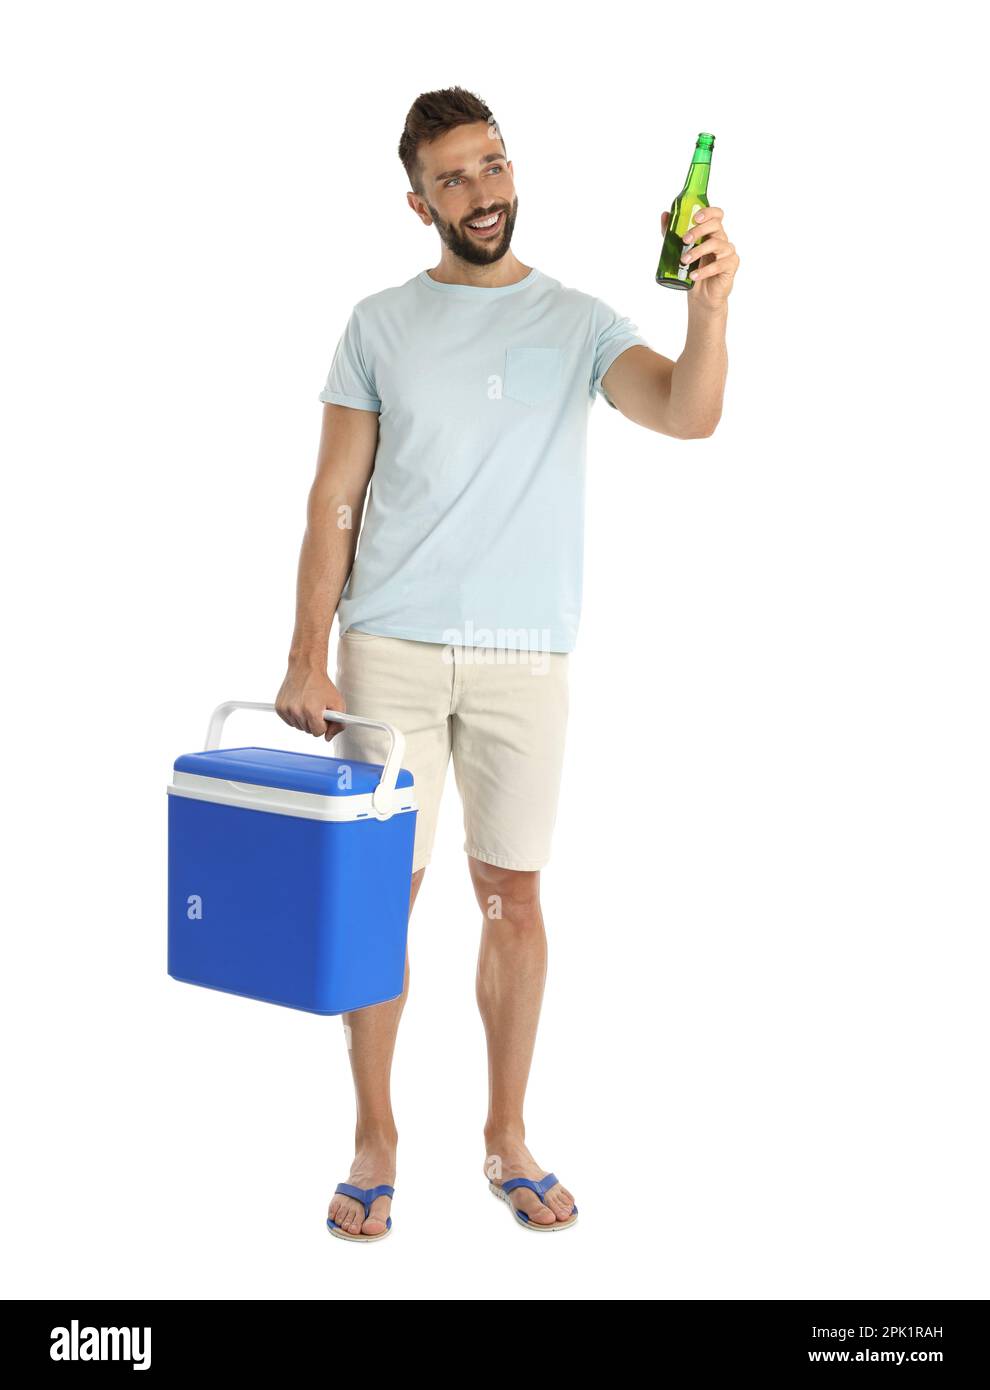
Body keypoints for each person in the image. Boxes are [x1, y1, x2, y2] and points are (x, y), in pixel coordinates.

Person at [275, 86, 738, 1239]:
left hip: (529, 660)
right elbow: (335, 498)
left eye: (492, 165)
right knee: (384, 902)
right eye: (454, 178)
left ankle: (506, 1134)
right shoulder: (378, 324)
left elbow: (688, 414)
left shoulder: (578, 320)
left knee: (515, 902)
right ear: (417, 199)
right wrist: (304, 655)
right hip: (389, 650)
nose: (482, 193)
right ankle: (376, 1136)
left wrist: (715, 307)